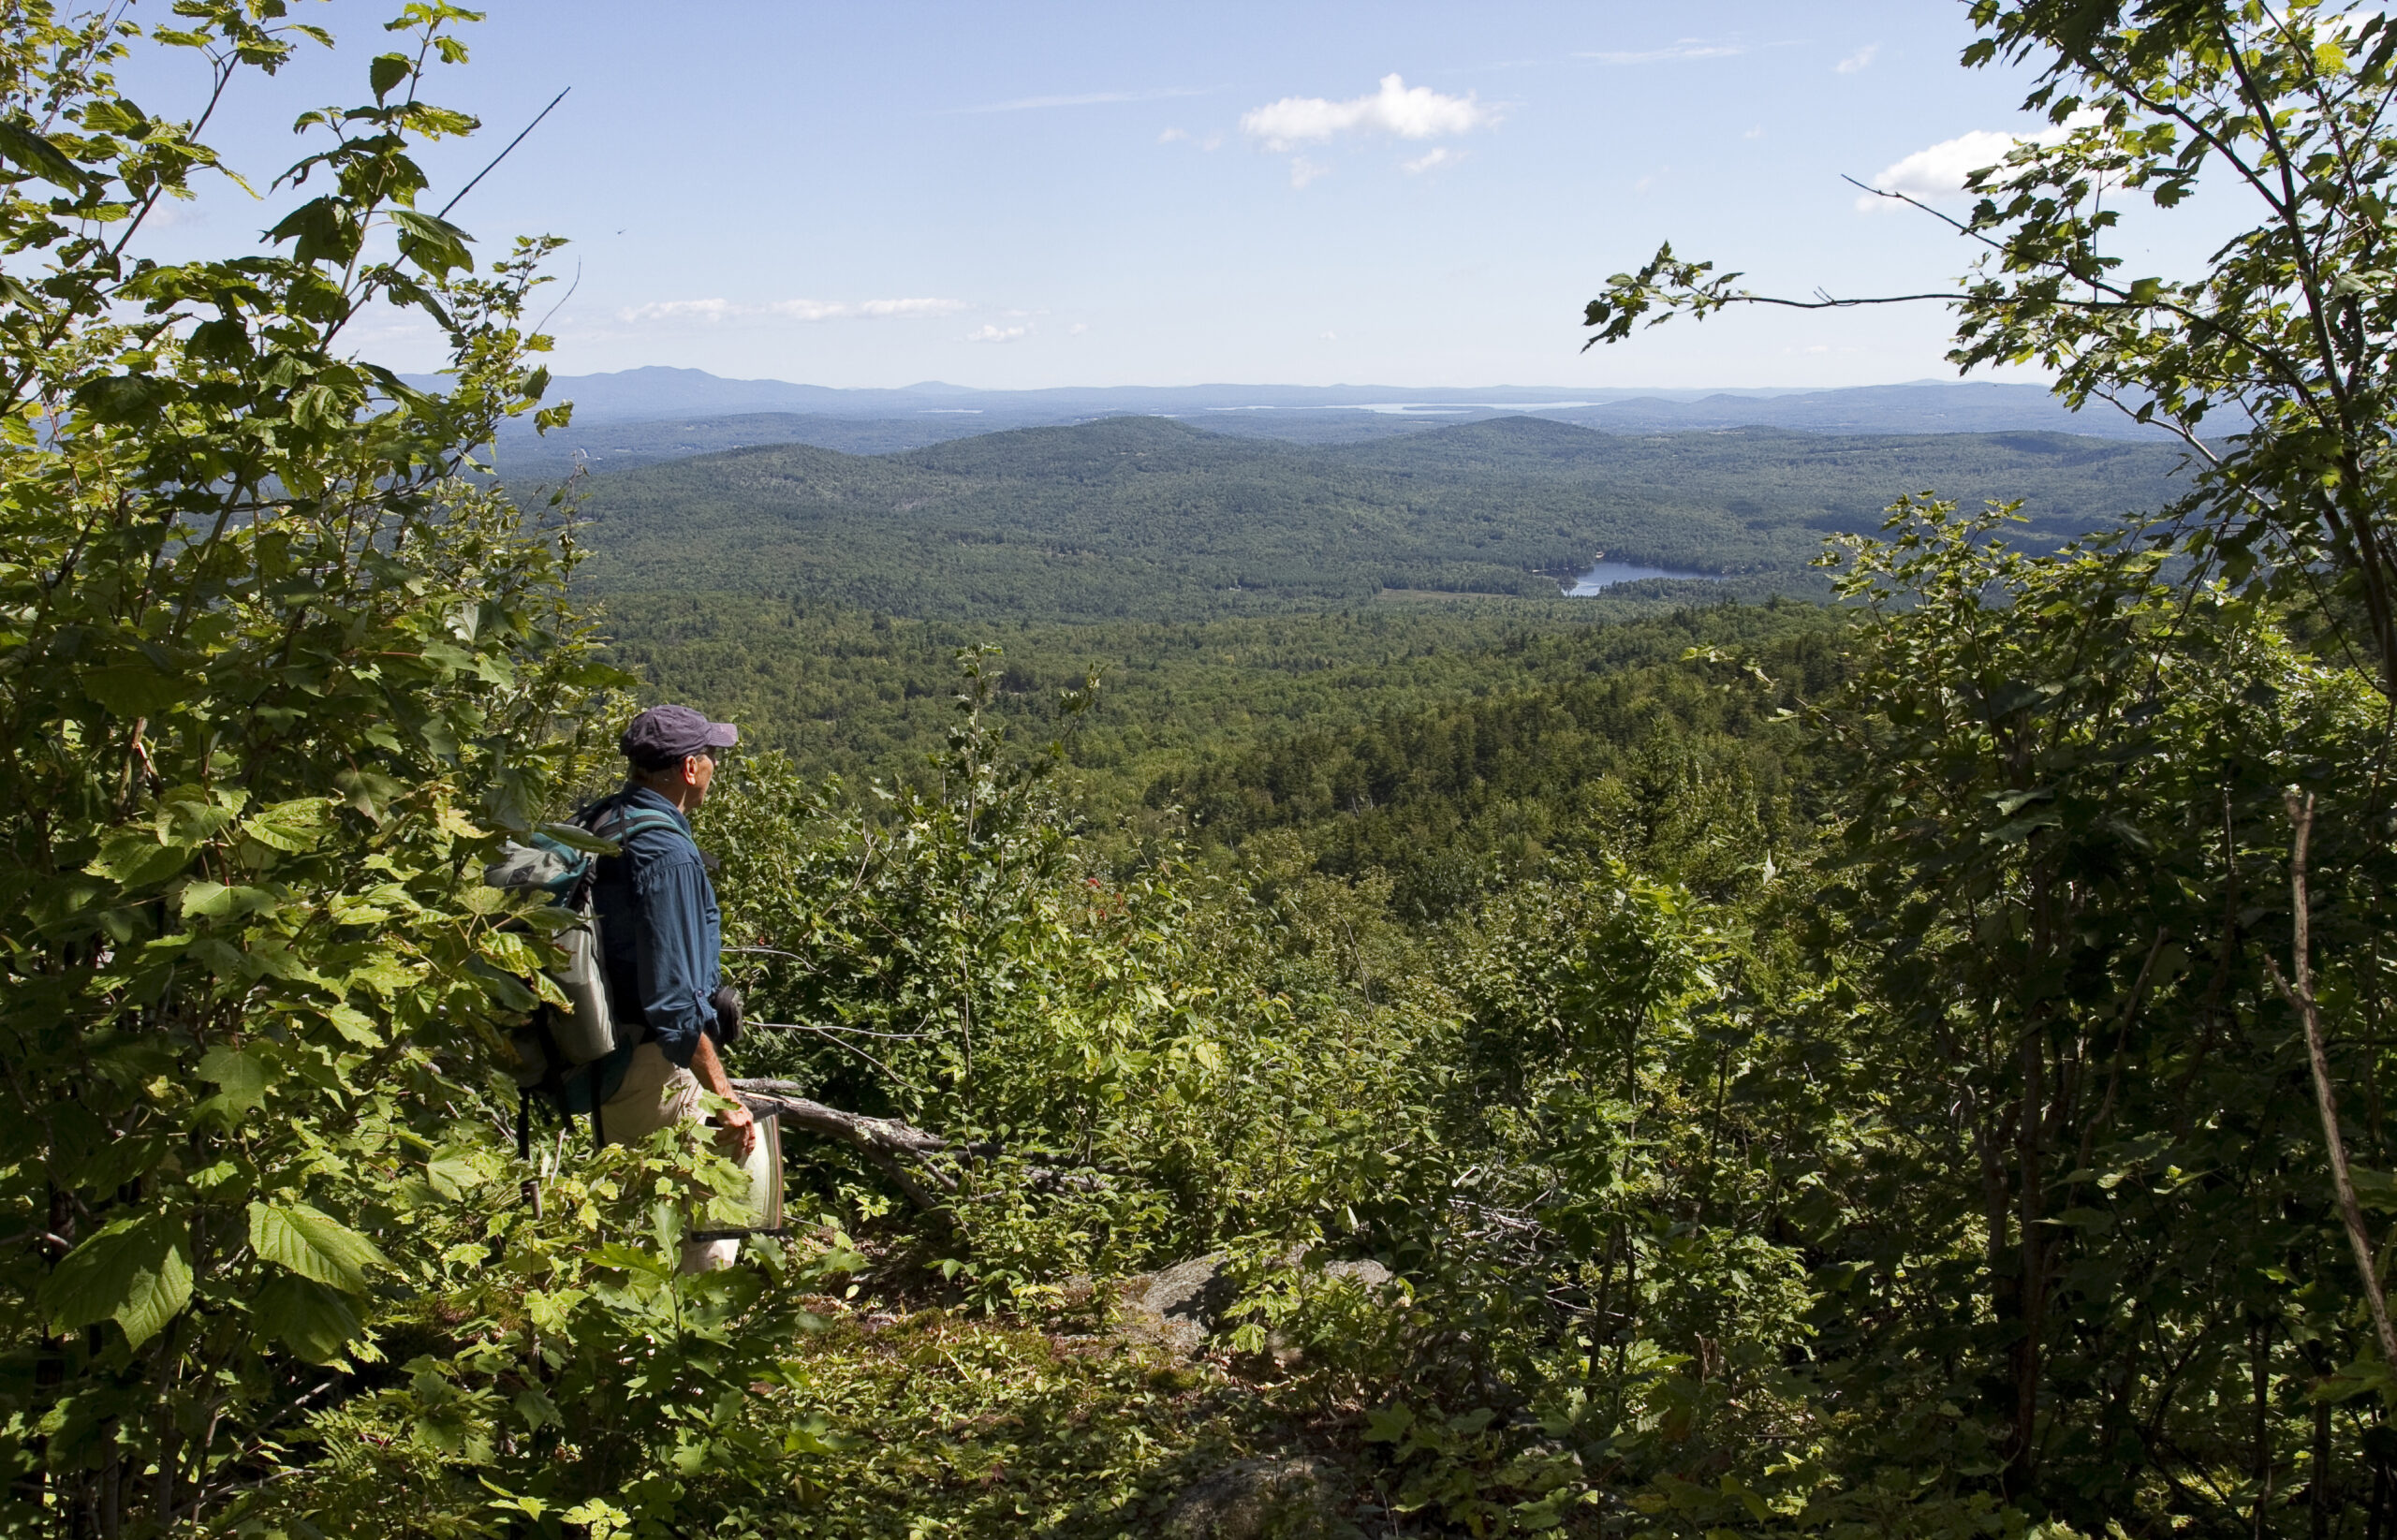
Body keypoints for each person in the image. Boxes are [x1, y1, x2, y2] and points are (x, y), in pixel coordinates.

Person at [586, 703, 760, 1272]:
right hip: (645, 1064)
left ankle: (605, 1345)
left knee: (623, 1213)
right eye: (711, 756)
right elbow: (675, 1000)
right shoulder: (667, 853)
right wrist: (724, 1097)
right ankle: (689, 1347)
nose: (715, 766)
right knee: (713, 1202)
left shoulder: (601, 820)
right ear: (690, 769)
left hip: (593, 1057)